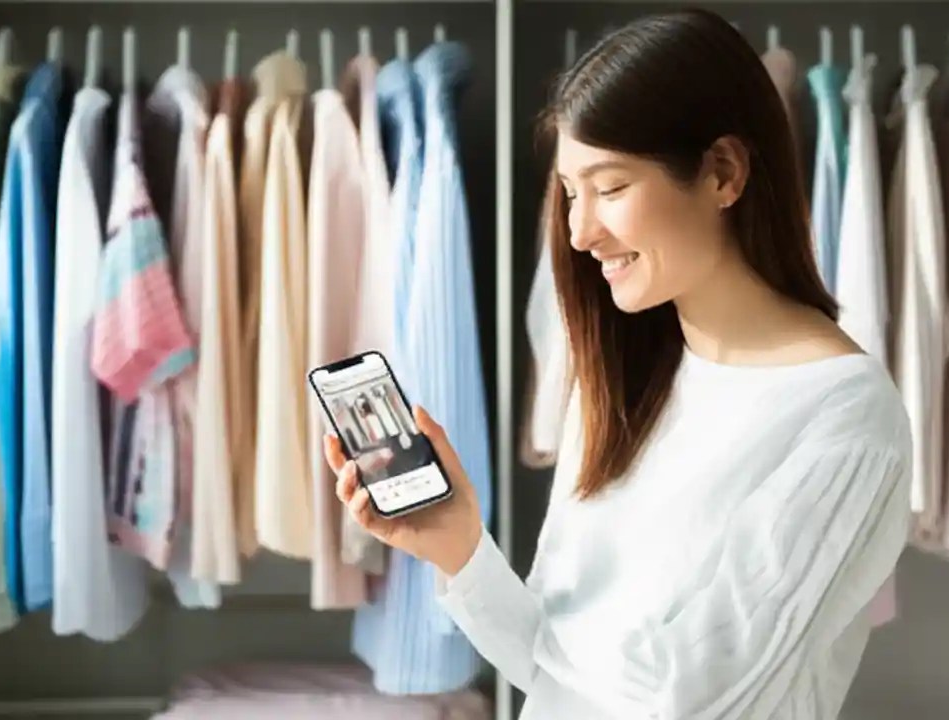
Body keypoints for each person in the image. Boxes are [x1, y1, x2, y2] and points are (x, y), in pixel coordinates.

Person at [323, 9, 912, 719]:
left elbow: (684, 697)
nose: (579, 231)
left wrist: (562, 642)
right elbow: (545, 668)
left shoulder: (845, 417)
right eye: (571, 193)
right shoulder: (624, 378)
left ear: (723, 173)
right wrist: (461, 548)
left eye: (610, 188)